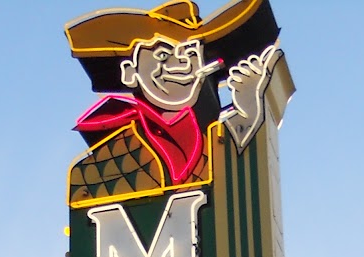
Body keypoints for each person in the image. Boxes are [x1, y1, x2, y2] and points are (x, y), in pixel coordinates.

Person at [65, 0, 286, 207]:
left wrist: (247, 118)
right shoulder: (96, 167)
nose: (181, 62)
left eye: (190, 53)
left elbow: (243, 204)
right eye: (163, 54)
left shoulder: (218, 142)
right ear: (130, 73)